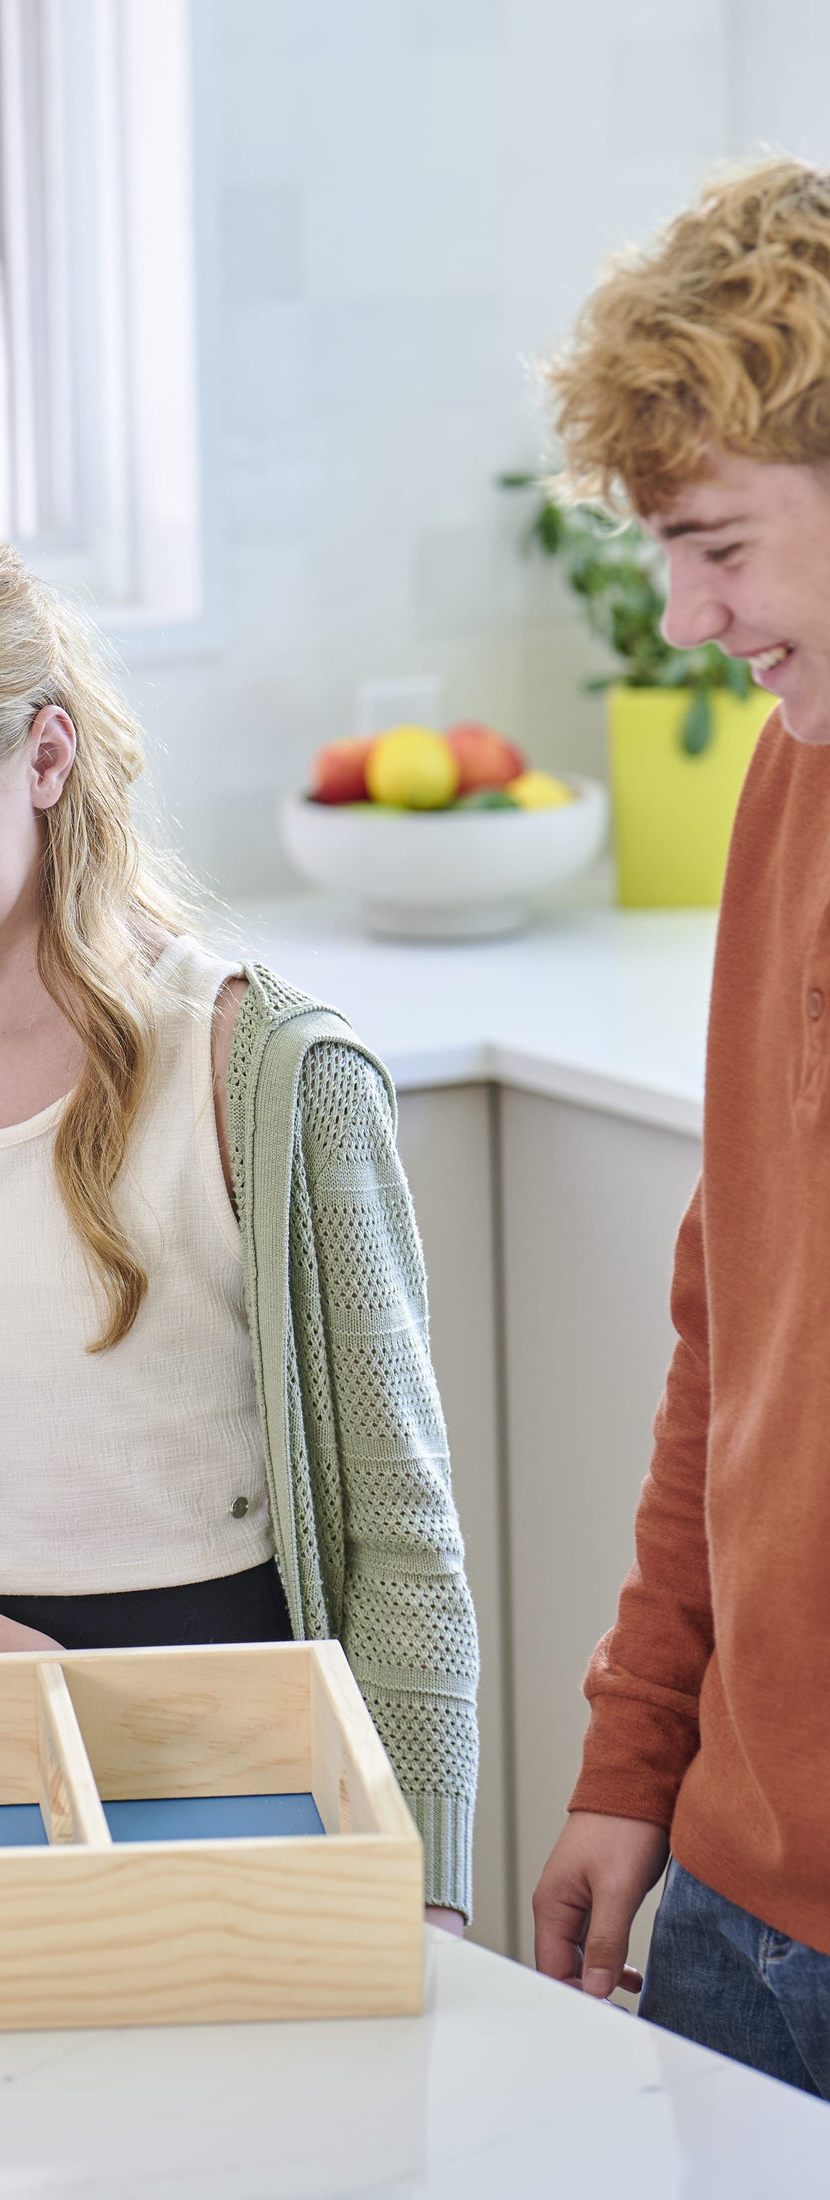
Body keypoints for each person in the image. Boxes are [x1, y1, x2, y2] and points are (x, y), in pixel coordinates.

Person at [0, 510, 478, 1925]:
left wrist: (423, 1885)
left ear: (45, 757)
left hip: (247, 1756)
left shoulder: (269, 1082)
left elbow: (401, 1541)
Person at [528, 159, 830, 2094]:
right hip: (743, 1885)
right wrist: (637, 1755)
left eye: (716, 543)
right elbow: (732, 1329)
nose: (690, 615)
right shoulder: (786, 796)